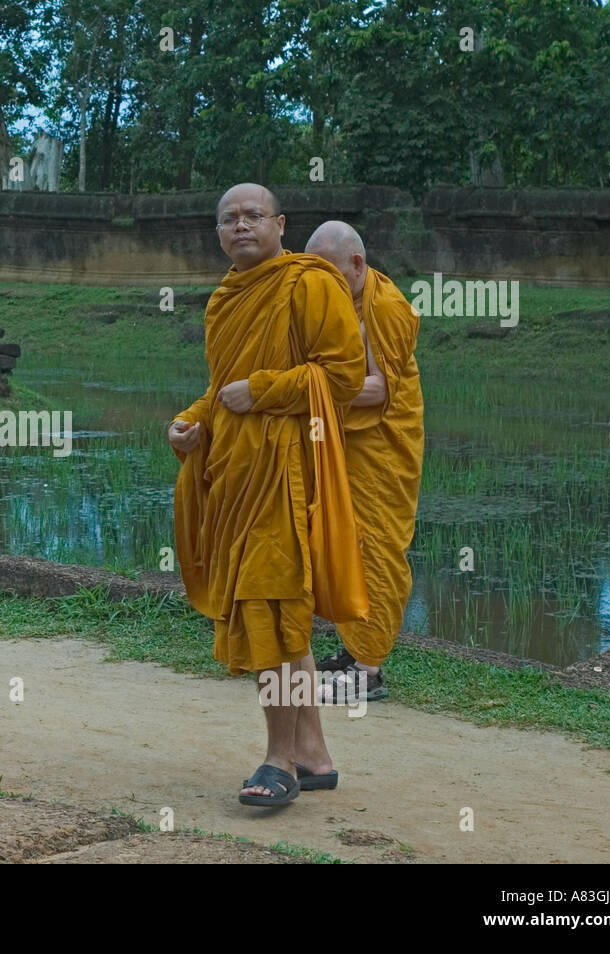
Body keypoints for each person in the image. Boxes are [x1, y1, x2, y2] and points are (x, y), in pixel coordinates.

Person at [169, 184, 366, 806]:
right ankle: (312, 754)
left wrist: (263, 389)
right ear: (218, 233)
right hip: (235, 472)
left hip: (286, 476)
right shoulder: (225, 298)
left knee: (270, 615)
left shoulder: (308, 283)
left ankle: (278, 760)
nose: (241, 226)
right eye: (229, 219)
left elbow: (343, 375)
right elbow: (219, 387)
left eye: (254, 216)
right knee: (284, 622)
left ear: (280, 223)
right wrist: (192, 421)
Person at [304, 221, 425, 702]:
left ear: (357, 264)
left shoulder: (386, 308)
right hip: (342, 441)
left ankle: (370, 671)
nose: (323, 283)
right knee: (340, 542)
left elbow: (378, 389)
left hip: (381, 445)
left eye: (330, 272)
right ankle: (353, 651)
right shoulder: (338, 296)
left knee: (376, 546)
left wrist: (311, 387)